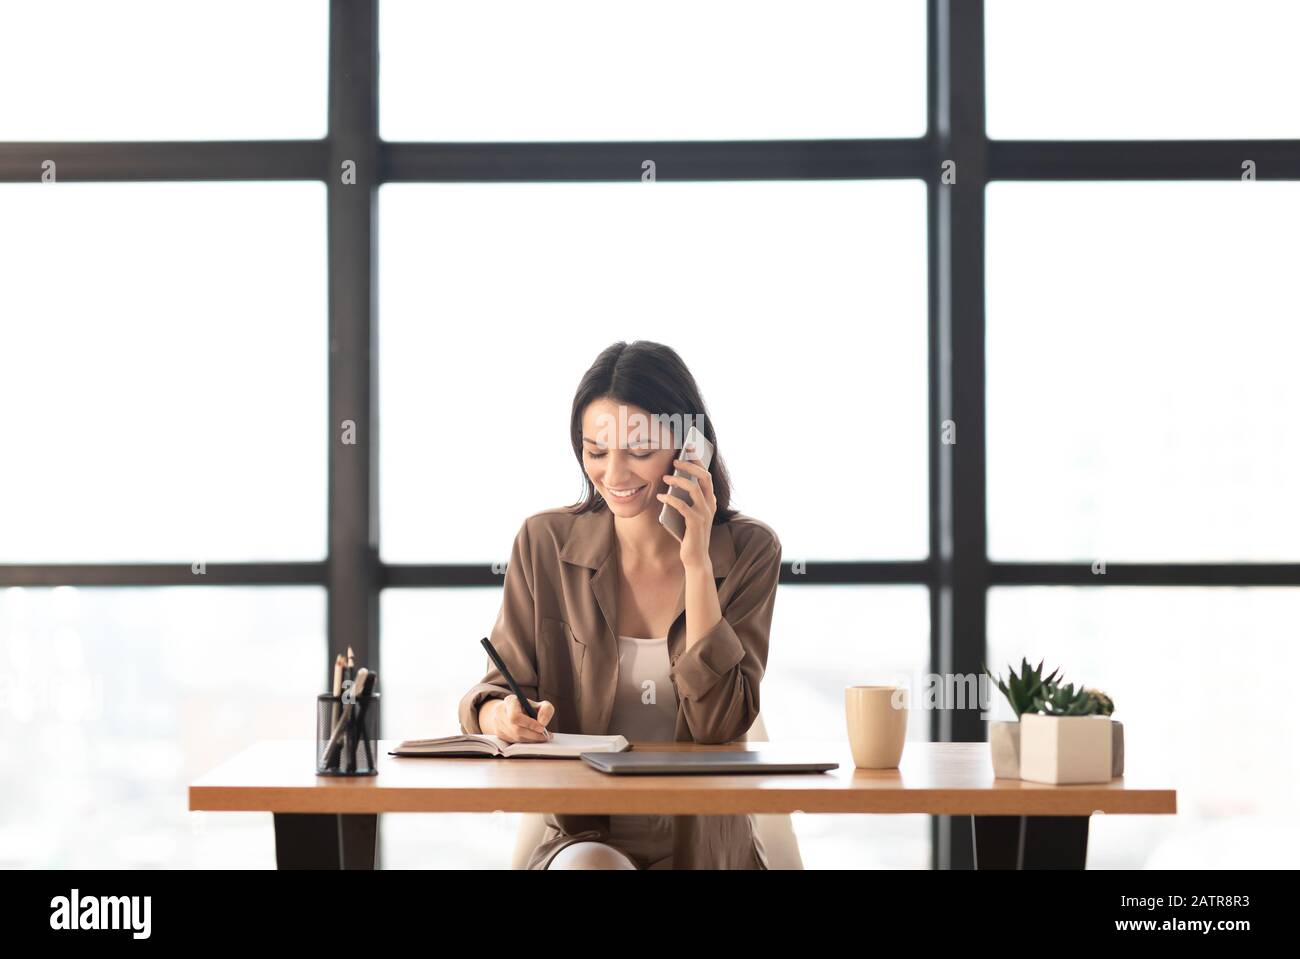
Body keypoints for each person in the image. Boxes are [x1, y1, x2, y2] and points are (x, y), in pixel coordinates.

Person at [457, 340, 782, 869]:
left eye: (639, 451)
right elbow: (494, 690)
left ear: (689, 446)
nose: (613, 475)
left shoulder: (749, 550)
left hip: (703, 848)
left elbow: (720, 724)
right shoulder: (546, 542)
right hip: (585, 840)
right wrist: (501, 716)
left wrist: (697, 562)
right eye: (596, 452)